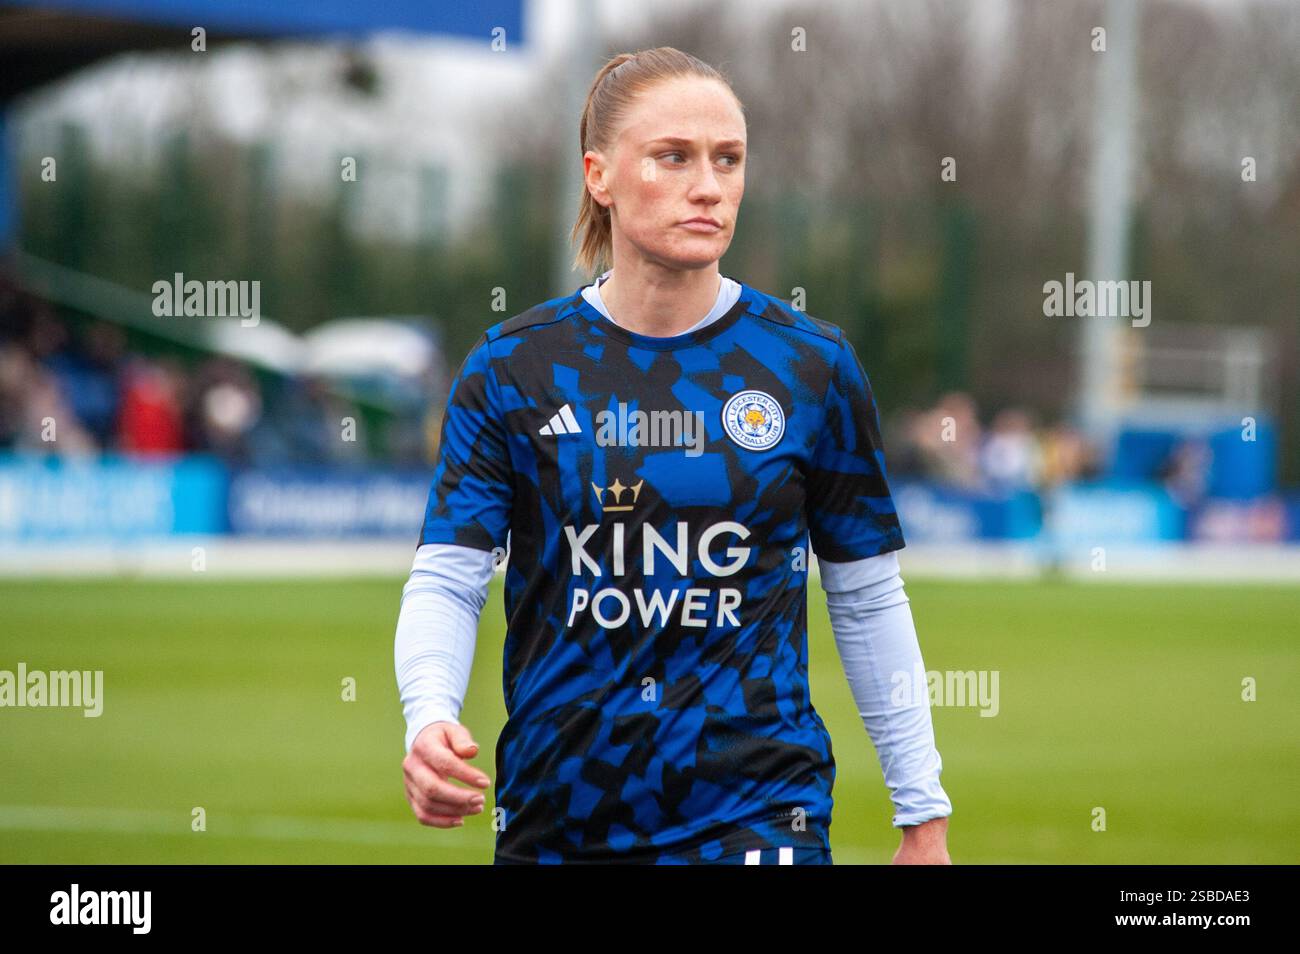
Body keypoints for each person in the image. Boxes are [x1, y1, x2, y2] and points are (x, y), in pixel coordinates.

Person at [395, 47, 952, 865]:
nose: (709, 185)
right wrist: (428, 715)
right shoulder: (512, 368)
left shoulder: (810, 367)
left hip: (760, 813)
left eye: (728, 160)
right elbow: (449, 576)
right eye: (674, 157)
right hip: (557, 817)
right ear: (599, 175)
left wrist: (923, 815)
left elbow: (866, 595)